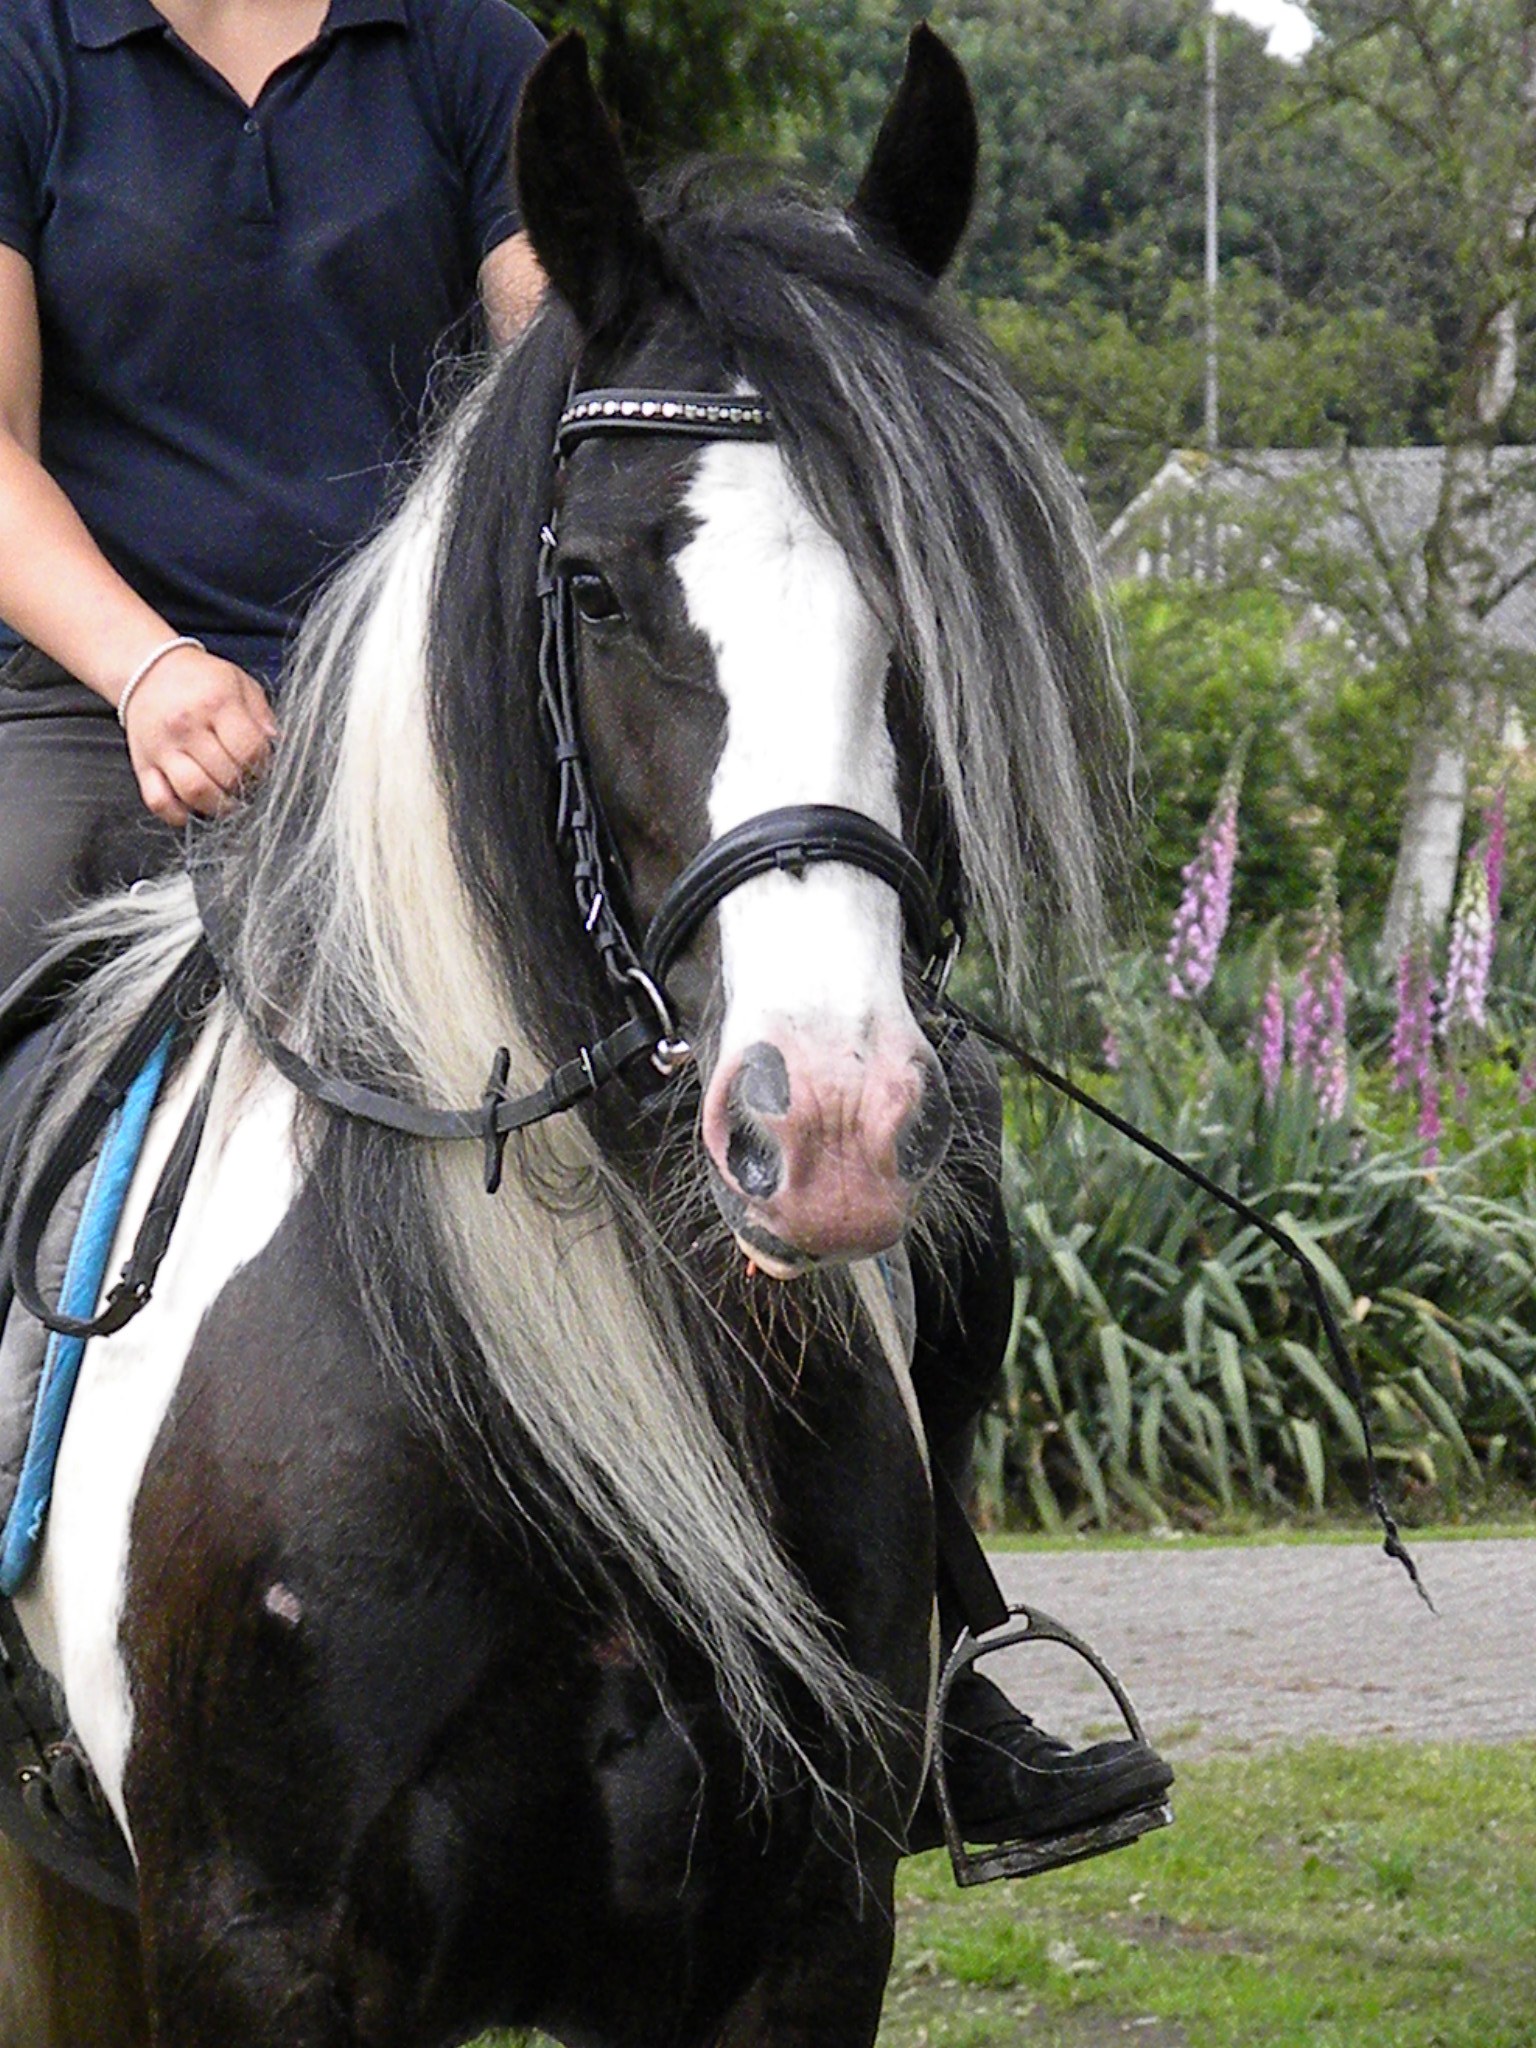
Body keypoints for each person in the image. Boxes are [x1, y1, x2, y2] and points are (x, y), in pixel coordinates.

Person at [0, 0, 1168, 1866]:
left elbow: (582, 380)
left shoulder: (461, 51)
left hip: (429, 708)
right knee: (13, 1049)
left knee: (893, 1106)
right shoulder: (29, 56)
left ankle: (936, 1651)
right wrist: (147, 666)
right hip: (101, 707)